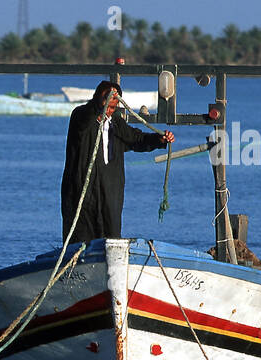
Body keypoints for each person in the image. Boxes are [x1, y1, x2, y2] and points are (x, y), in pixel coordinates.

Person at [61, 81, 175, 245]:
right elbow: (85, 119)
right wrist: (100, 106)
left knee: (110, 237)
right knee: (81, 237)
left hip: (110, 193)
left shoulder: (116, 123)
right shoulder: (80, 116)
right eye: (106, 103)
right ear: (97, 99)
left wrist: (159, 140)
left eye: (112, 107)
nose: (108, 110)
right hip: (82, 194)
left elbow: (137, 139)